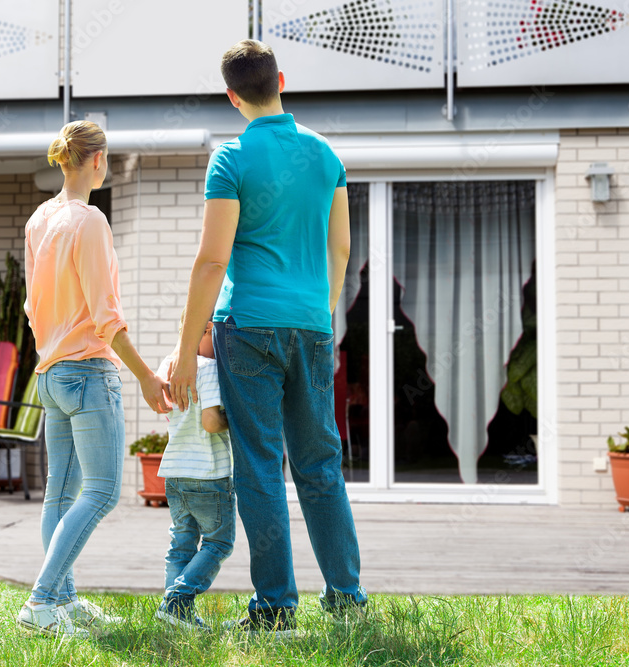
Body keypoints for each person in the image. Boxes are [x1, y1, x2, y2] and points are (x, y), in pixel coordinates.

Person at [169, 40, 366, 637]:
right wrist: (321, 312)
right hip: (310, 326)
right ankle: (346, 598)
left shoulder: (229, 159)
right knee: (319, 464)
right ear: (281, 79)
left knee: (258, 465)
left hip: (248, 328)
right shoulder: (325, 154)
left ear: (232, 96)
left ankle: (276, 606)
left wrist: (183, 354)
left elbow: (211, 261)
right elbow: (342, 248)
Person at [18, 120, 171, 637]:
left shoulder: (40, 219)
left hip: (51, 374)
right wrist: (148, 376)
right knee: (103, 492)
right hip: (87, 371)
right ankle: (41, 601)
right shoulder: (90, 222)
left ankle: (62, 601)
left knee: (59, 496)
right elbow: (108, 317)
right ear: (98, 160)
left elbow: (30, 306)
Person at [154, 318, 235, 632]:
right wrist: (236, 421)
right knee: (218, 543)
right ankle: (176, 599)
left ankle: (177, 615)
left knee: (181, 544)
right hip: (207, 473)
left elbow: (162, 404)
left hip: (175, 471)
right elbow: (211, 422)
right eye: (220, 334)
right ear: (206, 330)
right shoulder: (208, 368)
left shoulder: (169, 364)